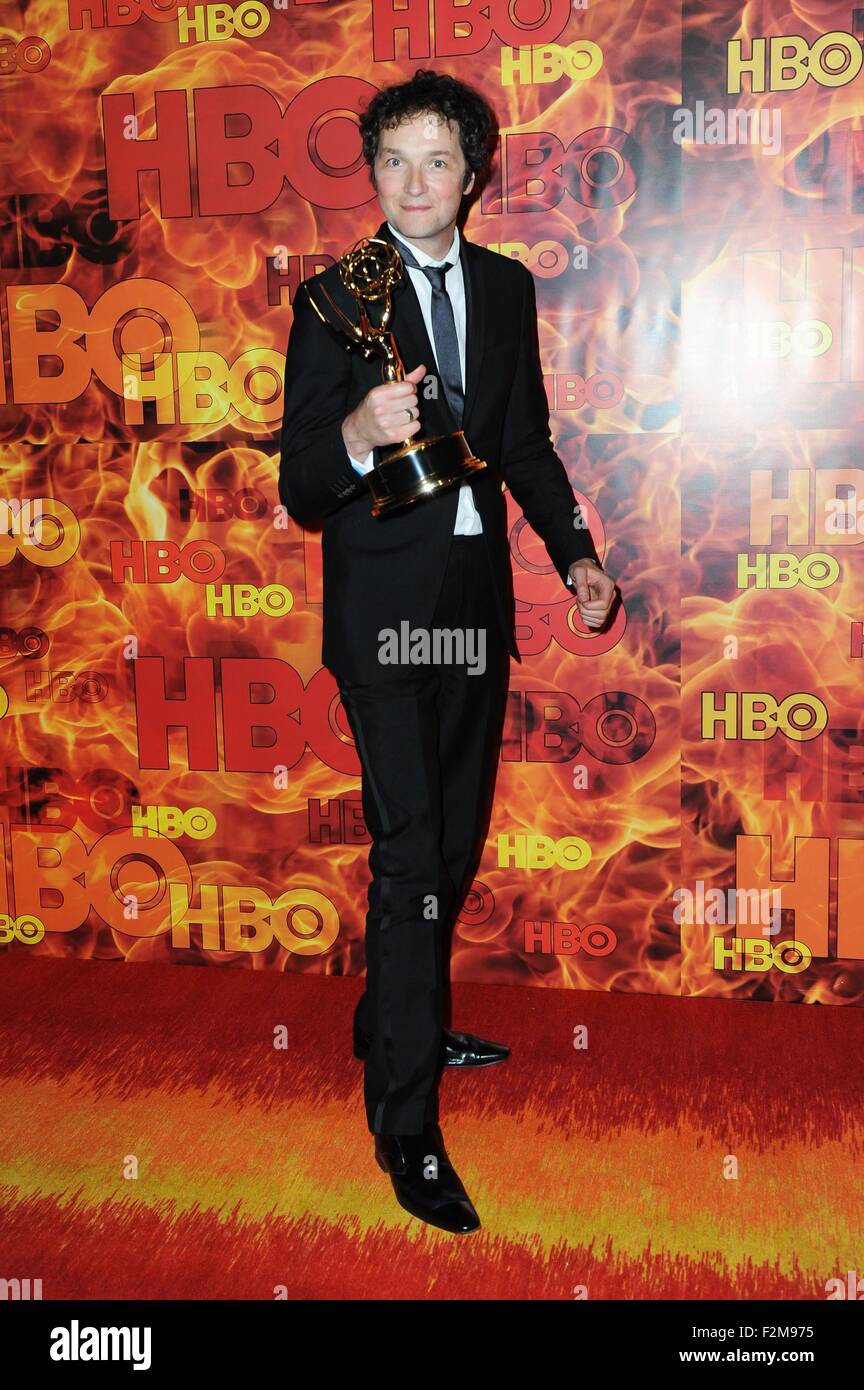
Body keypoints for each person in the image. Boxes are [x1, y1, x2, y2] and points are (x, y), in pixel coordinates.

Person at [279, 68, 618, 1235]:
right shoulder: (333, 300)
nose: (413, 183)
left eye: (436, 161)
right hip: (381, 620)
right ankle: (405, 1121)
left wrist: (574, 553)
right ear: (369, 174)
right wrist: (358, 435)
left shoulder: (508, 288)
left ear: (471, 175)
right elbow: (300, 484)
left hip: (475, 609)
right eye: (391, 162)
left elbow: (524, 441)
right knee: (414, 857)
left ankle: (394, 1019)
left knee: (455, 843)